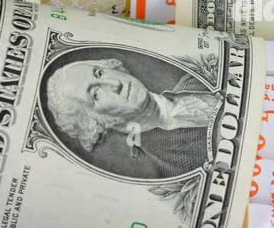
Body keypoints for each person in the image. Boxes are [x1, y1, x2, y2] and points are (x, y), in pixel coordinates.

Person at [44, 57, 218, 179]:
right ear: (95, 122)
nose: (115, 84)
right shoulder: (172, 166)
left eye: (99, 73)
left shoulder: (200, 76)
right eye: (96, 94)